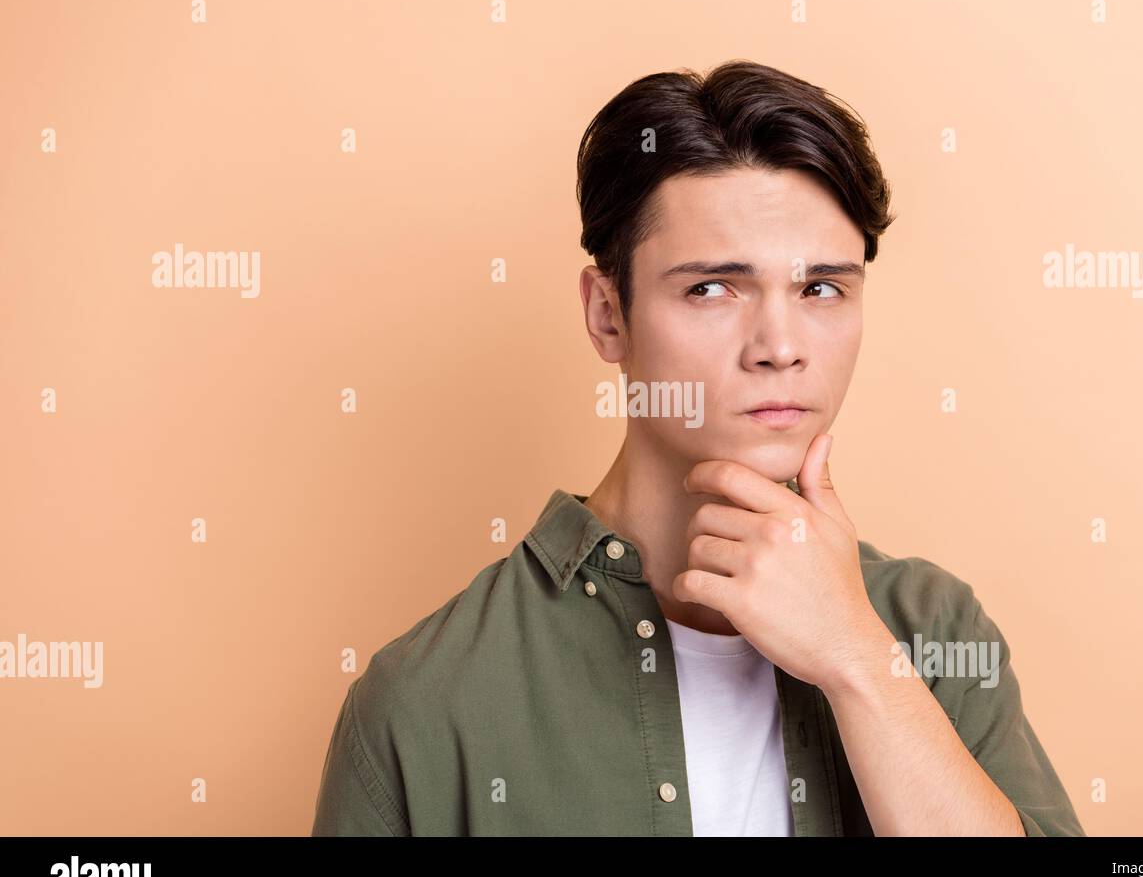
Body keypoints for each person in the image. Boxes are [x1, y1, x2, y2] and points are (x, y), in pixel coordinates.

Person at [311, 59, 1084, 837]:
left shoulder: (933, 632)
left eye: (820, 288)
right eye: (712, 289)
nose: (781, 348)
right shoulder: (426, 702)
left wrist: (856, 661)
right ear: (609, 315)